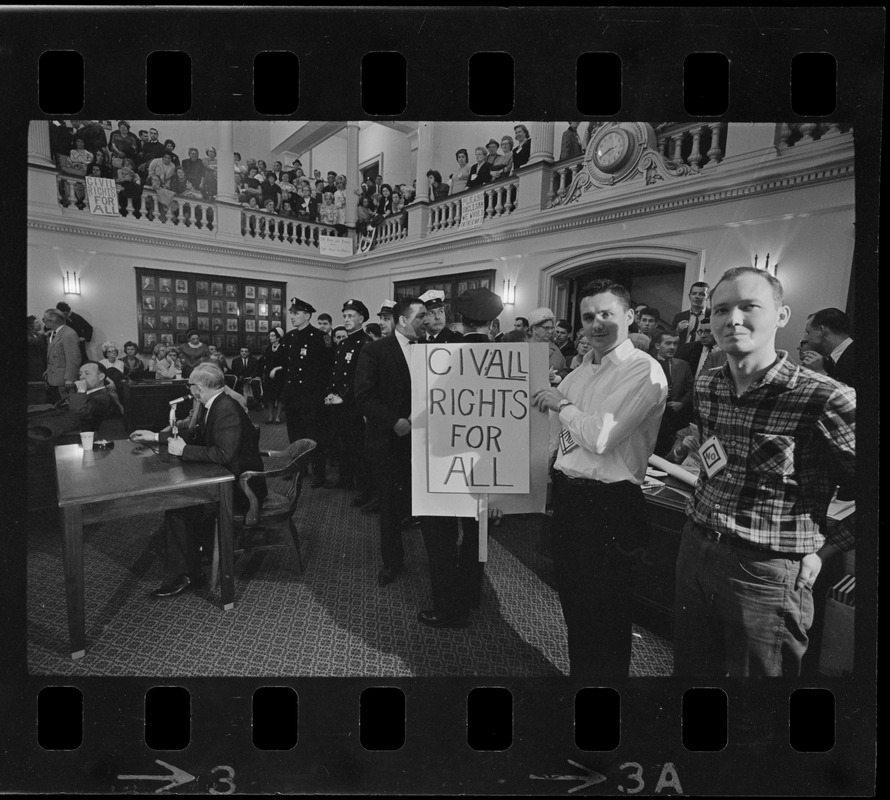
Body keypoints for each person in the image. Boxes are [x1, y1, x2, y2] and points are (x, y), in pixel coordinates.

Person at [672, 267, 856, 678]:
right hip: (695, 548)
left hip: (765, 572)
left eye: (749, 306)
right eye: (722, 310)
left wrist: (826, 550)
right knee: (689, 675)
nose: (732, 319)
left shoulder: (825, 396)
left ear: (782, 316)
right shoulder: (708, 385)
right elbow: (715, 459)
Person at [531, 278, 667, 678]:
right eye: (588, 317)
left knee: (606, 615)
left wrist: (562, 405)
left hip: (611, 506)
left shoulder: (643, 369)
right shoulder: (580, 372)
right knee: (575, 607)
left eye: (607, 314)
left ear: (629, 316)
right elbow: (556, 436)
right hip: (571, 501)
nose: (596, 324)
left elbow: (600, 438)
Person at [130, 364, 267, 598]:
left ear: (199, 388)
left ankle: (188, 575)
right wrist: (156, 436)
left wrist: (184, 451)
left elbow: (224, 454)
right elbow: (197, 436)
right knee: (182, 503)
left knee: (179, 508)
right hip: (230, 479)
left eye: (190, 385)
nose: (189, 389)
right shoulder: (216, 403)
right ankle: (193, 555)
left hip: (242, 489)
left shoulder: (225, 409)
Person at [418, 287, 505, 628]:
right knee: (475, 536)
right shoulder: (510, 361)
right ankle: (470, 596)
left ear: (460, 321)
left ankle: (447, 608)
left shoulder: (437, 358)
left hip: (442, 462)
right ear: (493, 323)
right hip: (486, 463)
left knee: (441, 539)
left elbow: (424, 413)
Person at [354, 297, 427, 587]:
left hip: (426, 443)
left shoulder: (432, 350)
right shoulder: (375, 350)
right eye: (421, 316)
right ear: (403, 320)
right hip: (389, 442)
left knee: (423, 505)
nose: (426, 321)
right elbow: (363, 396)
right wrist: (393, 422)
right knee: (390, 506)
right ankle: (392, 562)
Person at [324, 299, 373, 503]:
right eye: (344, 316)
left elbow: (361, 378)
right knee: (341, 444)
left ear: (361, 318)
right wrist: (331, 393)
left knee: (357, 447)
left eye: (351, 316)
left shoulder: (366, 343)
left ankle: (363, 489)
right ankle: (345, 479)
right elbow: (337, 373)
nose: (346, 319)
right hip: (338, 402)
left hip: (353, 404)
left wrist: (343, 398)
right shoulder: (344, 343)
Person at [282, 297, 331, 487]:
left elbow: (326, 370)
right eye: (291, 313)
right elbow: (287, 367)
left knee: (314, 436)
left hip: (312, 397)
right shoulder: (290, 337)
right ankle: (298, 468)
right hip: (293, 396)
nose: (292, 316)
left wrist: (321, 395)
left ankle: (319, 473)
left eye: (296, 313)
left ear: (307, 315)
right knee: (295, 435)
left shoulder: (320, 337)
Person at [28, 361, 118, 442]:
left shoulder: (103, 398)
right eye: (80, 374)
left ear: (101, 376)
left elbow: (81, 414)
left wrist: (81, 391)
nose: (82, 377)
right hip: (54, 416)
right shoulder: (88, 392)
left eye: (87, 373)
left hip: (70, 434)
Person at [652, 331, 694, 457]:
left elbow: (691, 389)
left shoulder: (683, 365)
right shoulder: (648, 363)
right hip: (651, 415)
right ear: (657, 346)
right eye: (668, 343)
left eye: (675, 344)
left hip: (671, 419)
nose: (672, 347)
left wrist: (681, 403)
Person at [801, 307, 855, 390]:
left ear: (821, 330)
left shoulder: (857, 357)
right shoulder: (829, 361)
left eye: (808, 332)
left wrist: (820, 373)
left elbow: (849, 395)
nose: (806, 339)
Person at [43, 307, 82, 404]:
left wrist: (70, 378)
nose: (43, 322)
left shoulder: (69, 334)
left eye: (44, 319)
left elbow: (73, 358)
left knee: (66, 406)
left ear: (53, 320)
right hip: (54, 378)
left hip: (64, 380)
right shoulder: (54, 333)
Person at [527, 307, 568, 384]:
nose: (550, 331)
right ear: (534, 329)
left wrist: (557, 378)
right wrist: (540, 376)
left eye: (551, 328)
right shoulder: (524, 348)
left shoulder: (554, 349)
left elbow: (564, 371)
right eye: (546, 328)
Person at [672, 281, 710, 355]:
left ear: (707, 297)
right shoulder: (679, 316)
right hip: (682, 354)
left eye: (701, 294)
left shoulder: (712, 315)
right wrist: (677, 331)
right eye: (694, 293)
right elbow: (670, 337)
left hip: (704, 354)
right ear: (689, 296)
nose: (697, 296)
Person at [263, 326, 287, 424]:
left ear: (278, 337)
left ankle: (277, 417)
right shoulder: (268, 349)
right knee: (270, 397)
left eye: (273, 335)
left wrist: (275, 369)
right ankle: (270, 416)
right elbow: (266, 362)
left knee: (279, 397)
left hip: (280, 375)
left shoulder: (283, 349)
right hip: (270, 376)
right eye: (270, 335)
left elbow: (285, 364)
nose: (270, 337)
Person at [28, 315, 48, 382]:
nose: (39, 324)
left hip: (41, 365)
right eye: (36, 322)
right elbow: (34, 342)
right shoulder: (28, 336)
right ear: (30, 326)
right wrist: (45, 335)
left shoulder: (39, 335)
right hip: (32, 367)